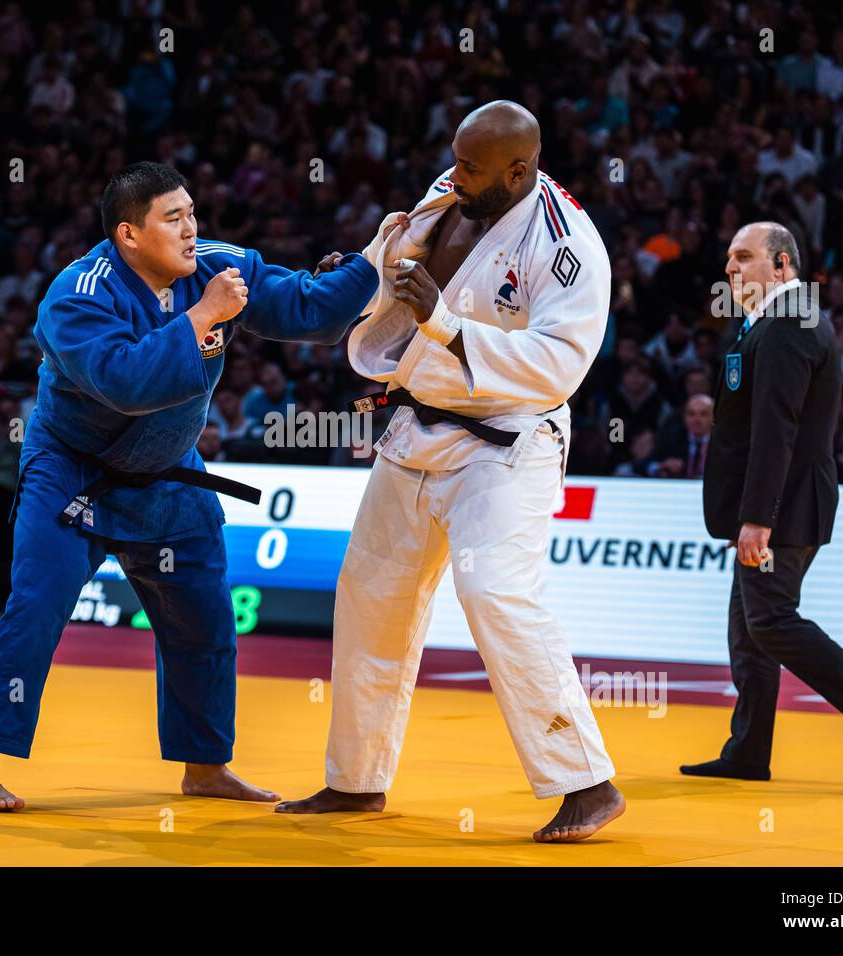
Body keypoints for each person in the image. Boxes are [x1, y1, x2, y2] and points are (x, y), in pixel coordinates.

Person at [0, 161, 377, 811]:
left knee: (203, 620)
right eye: (172, 218)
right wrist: (203, 317)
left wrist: (377, 257)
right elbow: (124, 382)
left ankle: (205, 766)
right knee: (36, 607)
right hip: (74, 473)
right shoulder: (78, 294)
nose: (191, 229)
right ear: (129, 234)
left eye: (191, 213)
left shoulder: (217, 265)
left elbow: (312, 313)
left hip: (170, 476)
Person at [276, 101, 626, 843]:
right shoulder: (455, 188)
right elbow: (401, 271)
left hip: (505, 444)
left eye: (472, 166)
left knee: (495, 590)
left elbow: (557, 368)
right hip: (417, 425)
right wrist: (359, 278)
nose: (454, 175)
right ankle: (355, 780)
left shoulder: (568, 248)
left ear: (520, 170)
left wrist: (445, 323)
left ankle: (587, 784)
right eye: (457, 159)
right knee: (371, 593)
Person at [682, 221, 843, 790]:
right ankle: (748, 751)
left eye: (743, 257)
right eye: (728, 258)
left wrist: (759, 517)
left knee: (770, 621)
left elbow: (776, 430)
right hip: (774, 503)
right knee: (749, 627)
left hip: (782, 508)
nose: (730, 269)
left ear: (781, 265)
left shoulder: (788, 324)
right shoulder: (768, 321)